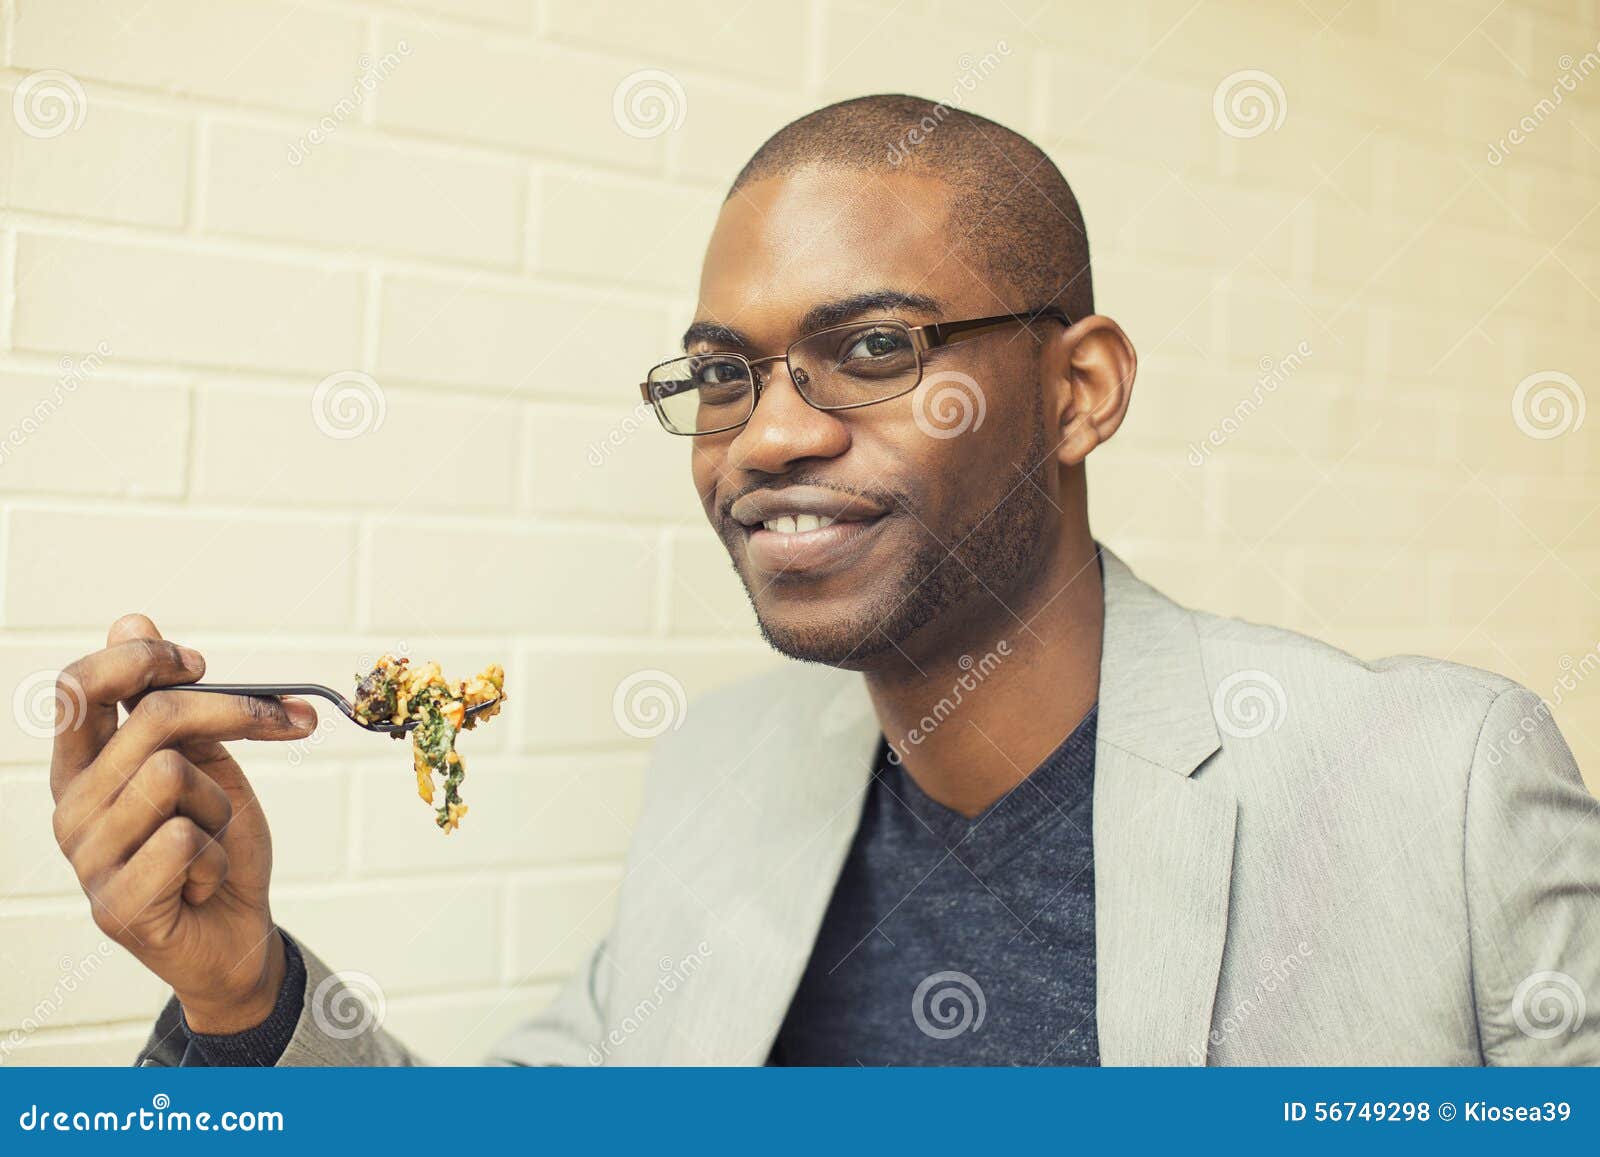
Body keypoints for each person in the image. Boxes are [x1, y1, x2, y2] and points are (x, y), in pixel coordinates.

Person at [50, 95, 1598, 1066]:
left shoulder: (1439, 783)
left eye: (874, 349)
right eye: (722, 374)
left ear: (1080, 391)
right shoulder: (723, 779)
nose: (769, 434)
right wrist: (245, 995)